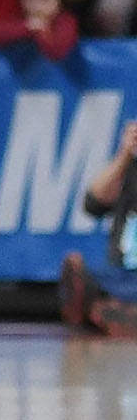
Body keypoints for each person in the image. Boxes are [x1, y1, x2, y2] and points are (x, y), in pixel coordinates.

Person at [59, 118, 137, 336]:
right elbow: (93, 203)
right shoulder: (131, 167)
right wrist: (125, 155)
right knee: (81, 269)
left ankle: (116, 314)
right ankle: (112, 311)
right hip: (122, 273)